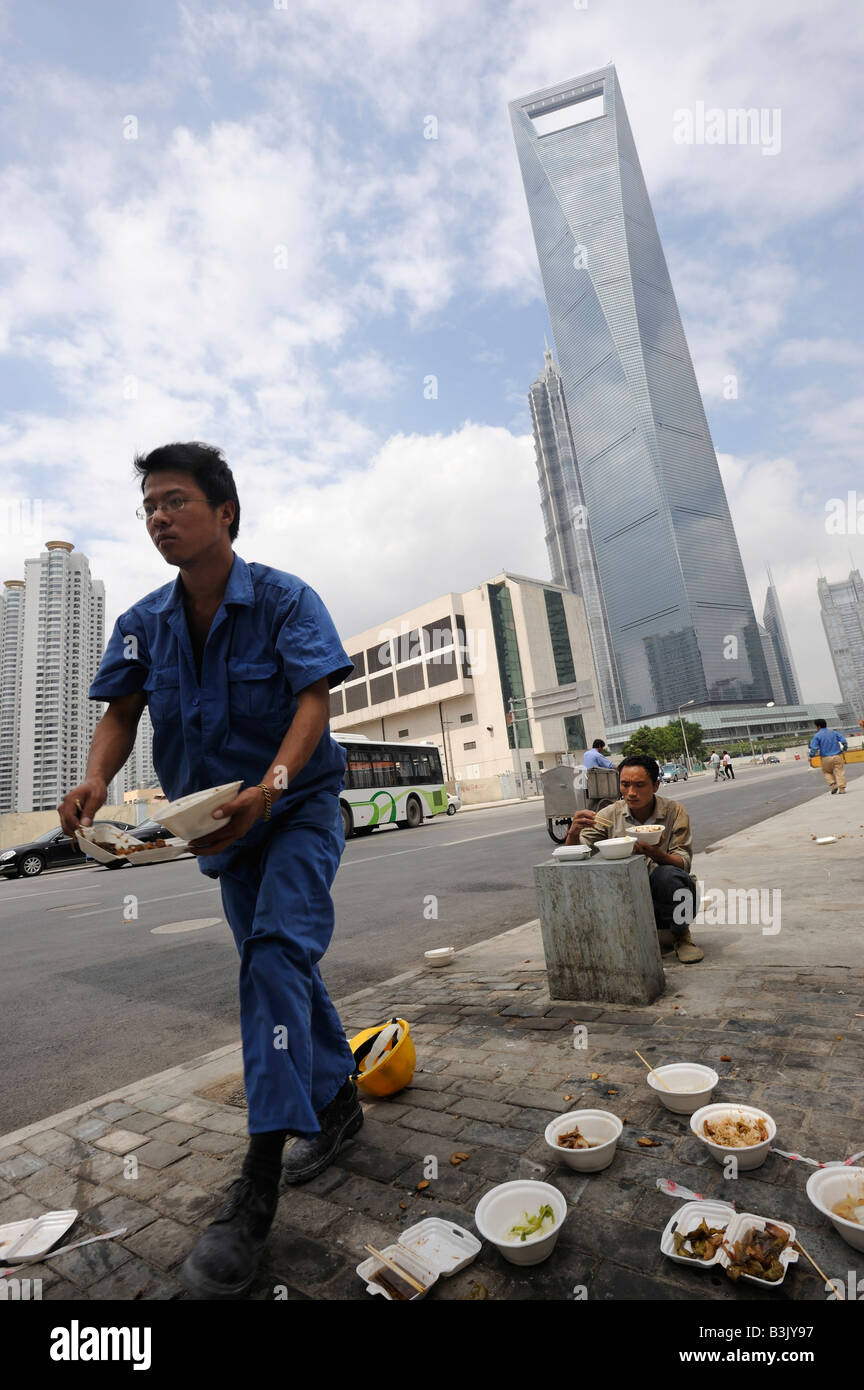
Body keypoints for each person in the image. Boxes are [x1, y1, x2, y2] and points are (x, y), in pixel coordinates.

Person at [58, 442, 361, 1299]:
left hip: (293, 807)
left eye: (176, 500)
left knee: (273, 955)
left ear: (224, 512)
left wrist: (272, 786)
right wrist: (93, 777)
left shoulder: (285, 598)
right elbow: (121, 711)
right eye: (149, 505)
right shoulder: (143, 622)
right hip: (218, 833)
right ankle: (337, 1105)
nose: (159, 516)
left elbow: (313, 701)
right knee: (279, 961)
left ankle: (253, 1193)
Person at [564, 754, 703, 963]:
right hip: (622, 891)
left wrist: (655, 853)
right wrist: (573, 833)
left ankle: (682, 936)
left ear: (655, 785)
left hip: (662, 894)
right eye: (625, 784)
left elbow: (683, 863)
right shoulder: (609, 814)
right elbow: (576, 854)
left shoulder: (674, 812)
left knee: (669, 876)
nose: (631, 793)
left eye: (639, 785)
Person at [809, 718, 848, 794]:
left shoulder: (817, 735)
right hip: (837, 756)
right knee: (840, 772)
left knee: (827, 772)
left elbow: (814, 748)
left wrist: (811, 756)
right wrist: (844, 749)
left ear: (818, 726)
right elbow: (844, 741)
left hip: (825, 758)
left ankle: (833, 785)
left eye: (816, 726)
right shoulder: (834, 732)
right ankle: (842, 789)